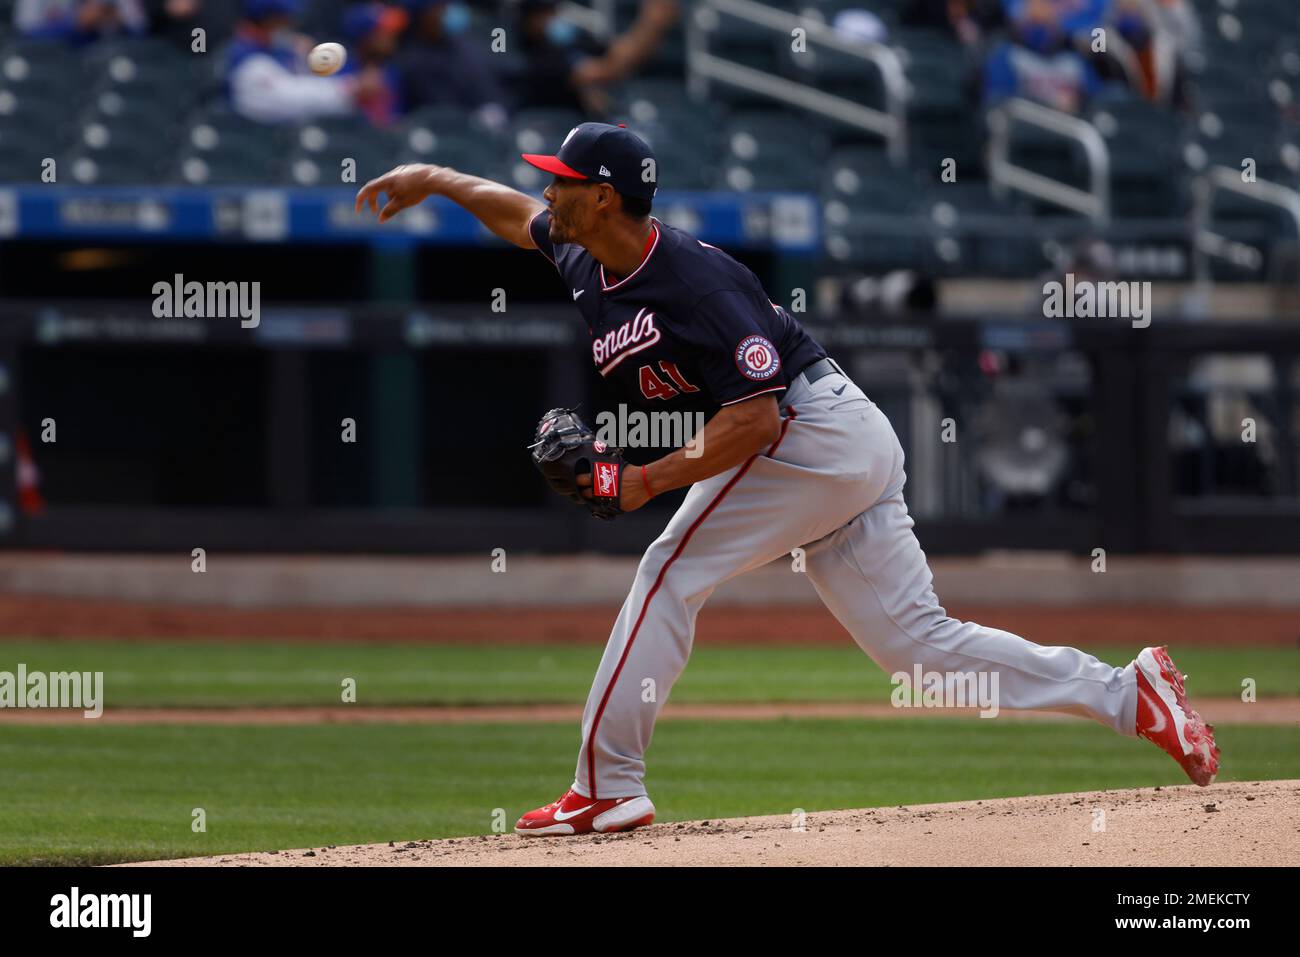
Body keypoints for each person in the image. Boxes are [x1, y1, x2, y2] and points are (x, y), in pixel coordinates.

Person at [354, 123, 1220, 837]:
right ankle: (1128, 693)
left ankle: (608, 785)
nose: (548, 191)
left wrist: (643, 479)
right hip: (840, 443)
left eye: (563, 181)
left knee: (667, 569)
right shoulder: (585, 255)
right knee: (915, 646)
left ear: (605, 196)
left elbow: (757, 420)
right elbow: (512, 216)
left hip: (811, 433)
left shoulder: (695, 279)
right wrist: (434, 177)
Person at [509, 0, 679, 117]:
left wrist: (654, 28)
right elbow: (609, 71)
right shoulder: (536, 61)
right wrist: (650, 24)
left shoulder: (573, 45)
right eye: (545, 13)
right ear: (529, 21)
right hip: (554, 136)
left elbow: (620, 53)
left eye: (553, 10)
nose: (553, 17)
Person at [224, 0, 378, 125]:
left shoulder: (281, 47)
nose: (289, 22)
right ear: (268, 20)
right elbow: (286, 98)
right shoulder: (245, 56)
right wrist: (349, 89)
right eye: (283, 17)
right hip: (243, 136)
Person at [396, 0, 507, 128]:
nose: (445, 13)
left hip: (479, 127)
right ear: (421, 16)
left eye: (445, 6)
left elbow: (485, 87)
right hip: (439, 132)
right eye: (439, 9)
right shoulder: (410, 58)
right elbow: (440, 108)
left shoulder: (462, 45)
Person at [982, 0, 1102, 113]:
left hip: (1072, 128)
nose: (1041, 28)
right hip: (1026, 130)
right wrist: (1050, 104)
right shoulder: (1008, 56)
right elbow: (1000, 105)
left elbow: (1097, 102)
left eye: (1046, 22)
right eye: (1034, 21)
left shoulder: (1073, 61)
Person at [337, 2, 408, 127]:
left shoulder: (392, 71)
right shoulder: (341, 70)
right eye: (382, 32)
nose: (390, 36)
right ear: (365, 37)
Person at [14, 0, 147, 42]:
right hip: (55, 61)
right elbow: (25, 35)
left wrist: (117, 22)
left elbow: (142, 34)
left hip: (105, 62)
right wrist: (74, 23)